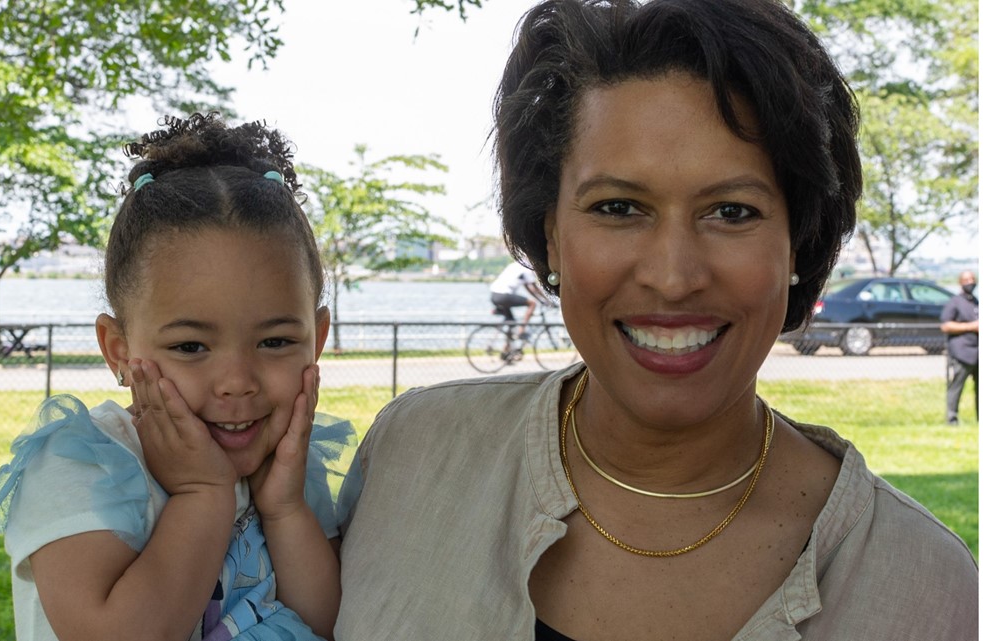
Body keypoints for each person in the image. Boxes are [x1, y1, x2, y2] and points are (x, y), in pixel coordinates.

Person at [334, 1, 978, 639]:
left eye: (731, 212)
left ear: (797, 244)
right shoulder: (411, 456)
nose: (673, 277)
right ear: (552, 234)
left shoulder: (922, 583)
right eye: (618, 206)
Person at [0, 114, 354, 641]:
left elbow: (330, 623)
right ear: (120, 350)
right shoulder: (82, 466)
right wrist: (204, 494)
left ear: (316, 340)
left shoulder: (289, 466)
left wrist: (285, 508)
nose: (236, 382)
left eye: (274, 342)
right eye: (190, 347)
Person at [941, 270, 978, 425]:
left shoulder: (976, 302)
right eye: (966, 279)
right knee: (956, 387)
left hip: (978, 353)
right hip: (961, 353)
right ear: (960, 282)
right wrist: (971, 326)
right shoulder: (955, 302)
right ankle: (952, 419)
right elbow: (946, 325)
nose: (970, 282)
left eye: (972, 279)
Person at [490, 260, 551, 339]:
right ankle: (521, 330)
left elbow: (529, 289)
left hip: (494, 295)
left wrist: (541, 300)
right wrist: (547, 301)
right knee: (532, 304)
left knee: (511, 322)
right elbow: (535, 288)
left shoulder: (515, 266)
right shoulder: (526, 269)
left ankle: (507, 349)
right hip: (503, 295)